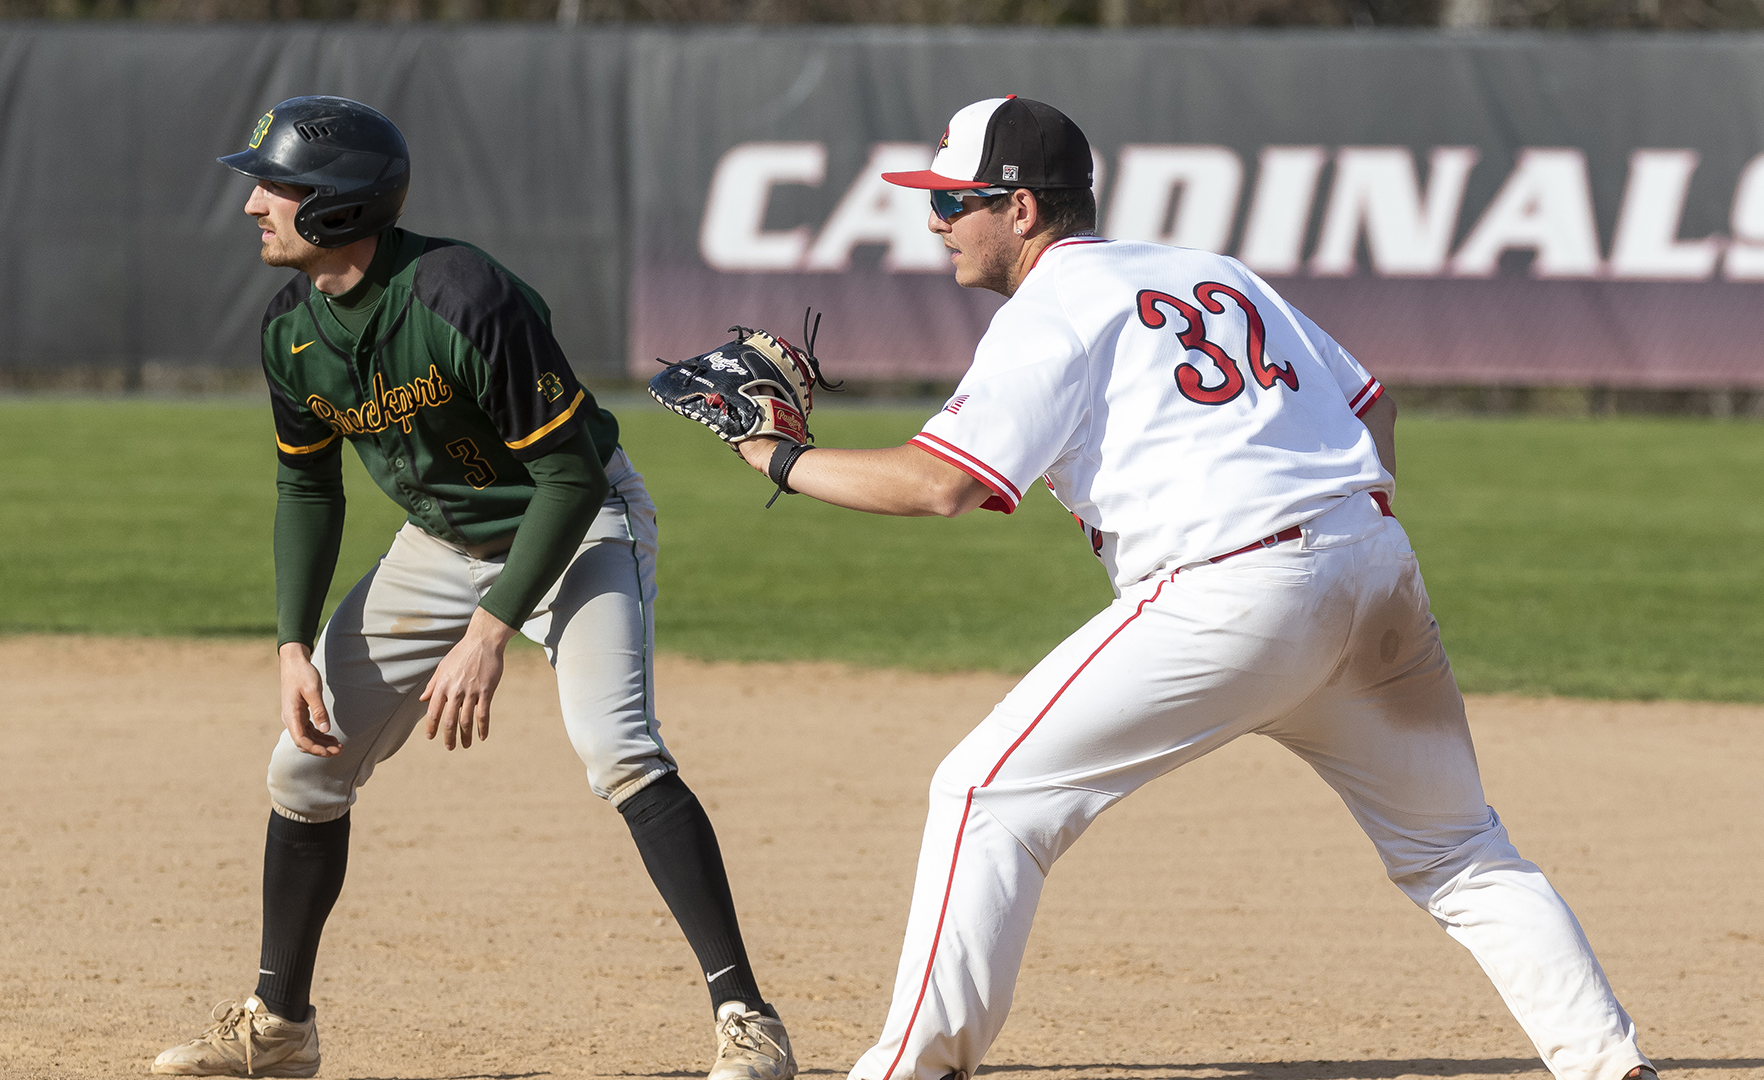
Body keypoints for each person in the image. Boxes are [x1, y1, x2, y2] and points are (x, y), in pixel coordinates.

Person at [726, 96, 1658, 1080]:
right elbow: (1370, 405)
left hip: (1232, 594)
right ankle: (1608, 1063)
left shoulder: (1053, 306)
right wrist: (1336, 527)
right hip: (1373, 567)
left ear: (1024, 209)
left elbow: (942, 485)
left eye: (954, 200)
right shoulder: (1207, 271)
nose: (936, 223)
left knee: (981, 793)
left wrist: (774, 456)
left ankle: (908, 1070)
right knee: (1461, 851)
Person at [151, 96, 794, 1080]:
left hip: (574, 524)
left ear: (336, 206)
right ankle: (278, 1030)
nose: (253, 205)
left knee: (620, 749)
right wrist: (290, 641)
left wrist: (490, 631)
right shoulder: (291, 332)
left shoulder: (459, 295)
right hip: (442, 544)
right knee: (303, 772)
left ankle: (747, 1020)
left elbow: (572, 475)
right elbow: (305, 483)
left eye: (275, 185)